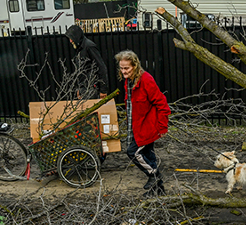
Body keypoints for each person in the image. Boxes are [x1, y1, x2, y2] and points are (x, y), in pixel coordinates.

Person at [114, 50, 170, 197]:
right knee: (148, 155)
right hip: (137, 125)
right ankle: (158, 190)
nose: (124, 71)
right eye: (121, 68)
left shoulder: (146, 80)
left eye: (127, 68)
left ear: (135, 65)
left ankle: (154, 175)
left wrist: (163, 126)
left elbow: (162, 103)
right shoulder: (129, 81)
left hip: (148, 126)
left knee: (133, 152)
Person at [64, 25, 108, 100]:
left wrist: (103, 90)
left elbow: (101, 67)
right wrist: (79, 88)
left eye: (71, 38)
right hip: (84, 87)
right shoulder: (80, 47)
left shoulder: (89, 46)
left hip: (91, 87)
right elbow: (80, 70)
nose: (70, 41)